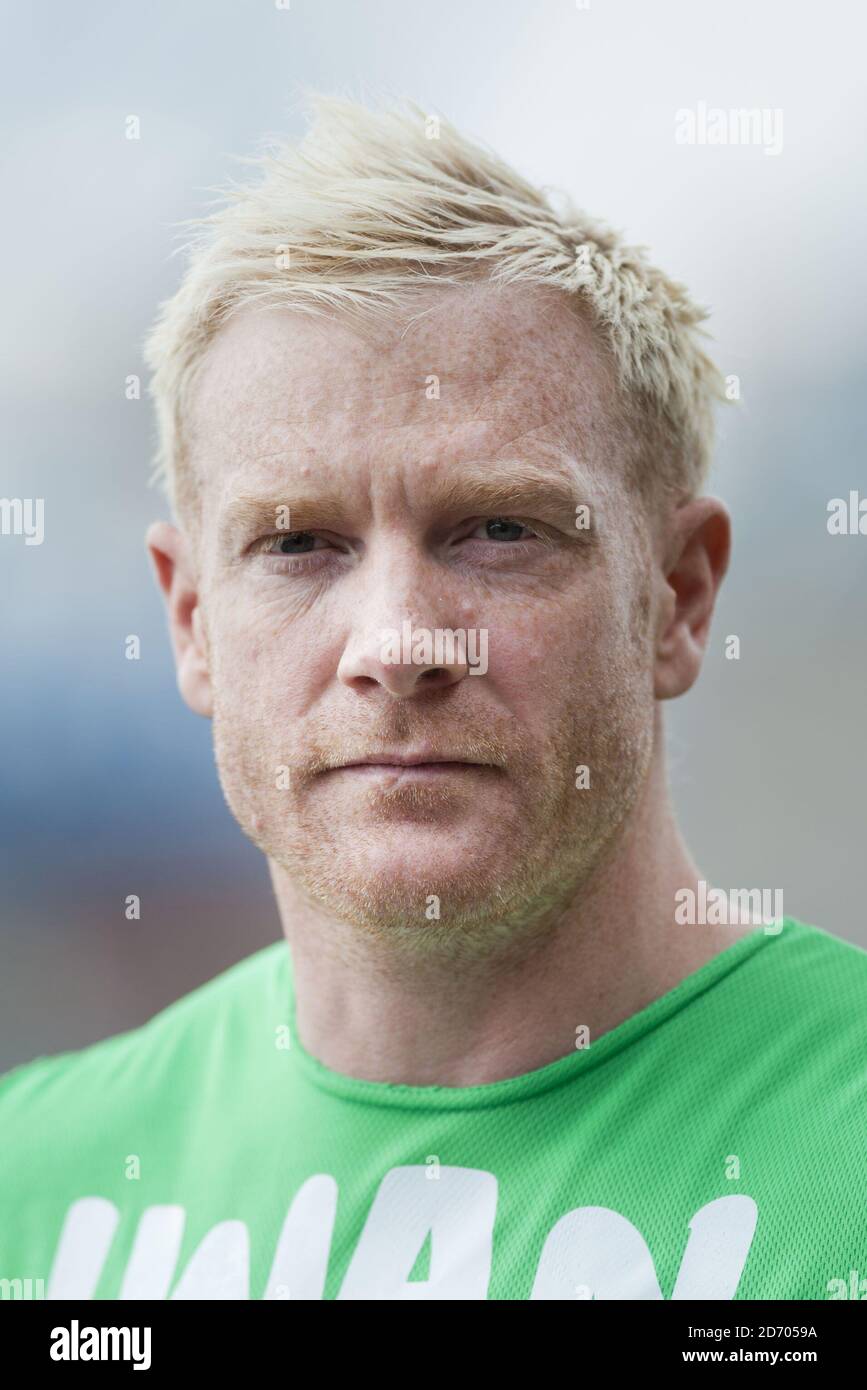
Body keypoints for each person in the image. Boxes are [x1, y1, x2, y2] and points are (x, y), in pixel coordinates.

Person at [1, 95, 864, 1302]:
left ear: (676, 595)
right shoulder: (33, 1187)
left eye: (499, 529)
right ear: (190, 622)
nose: (399, 642)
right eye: (299, 544)